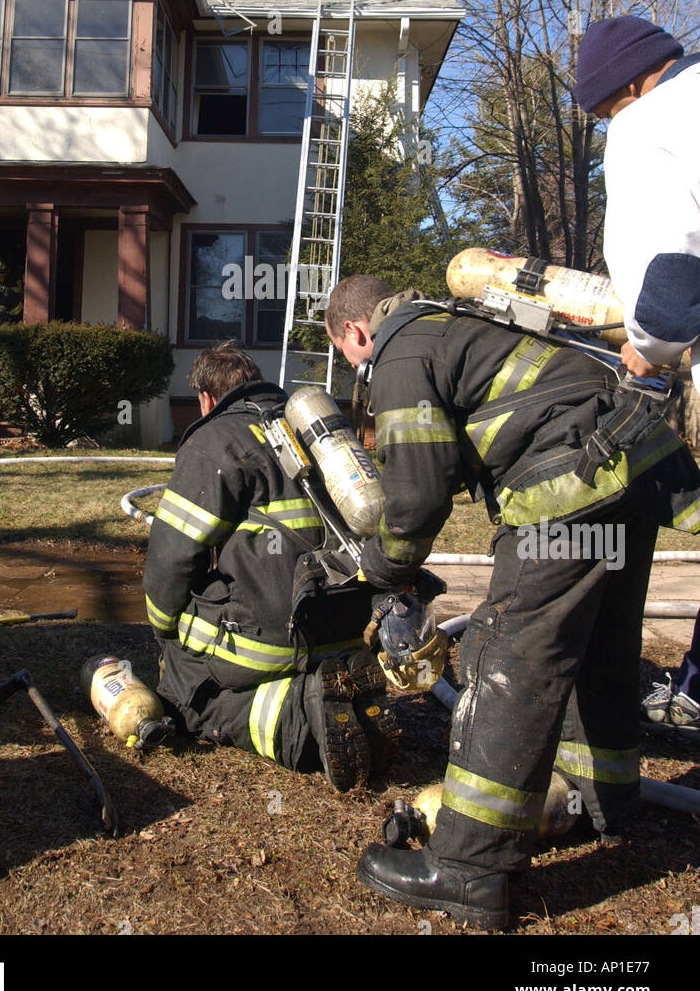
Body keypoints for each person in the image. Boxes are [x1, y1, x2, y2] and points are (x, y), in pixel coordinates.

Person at [324, 274, 700, 928]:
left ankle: (467, 870)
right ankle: (602, 800)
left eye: (352, 357)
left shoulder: (401, 349)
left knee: (509, 661)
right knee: (598, 646)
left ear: (355, 331)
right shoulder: (459, 321)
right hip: (629, 465)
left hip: (567, 488)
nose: (361, 371)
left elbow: (416, 497)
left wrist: (382, 572)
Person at [142, 341, 392, 788]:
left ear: (205, 398)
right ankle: (349, 698)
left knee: (186, 694)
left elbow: (173, 558)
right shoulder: (316, 432)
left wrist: (165, 631)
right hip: (347, 623)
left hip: (280, 637)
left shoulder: (214, 441)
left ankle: (298, 717)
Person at [575, 14, 700, 738]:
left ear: (627, 83)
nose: (603, 128)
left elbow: (673, 261)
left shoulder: (649, 120)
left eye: (601, 112)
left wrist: (647, 345)